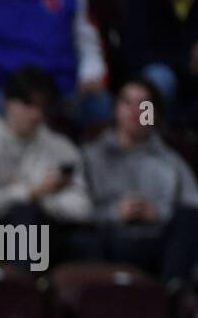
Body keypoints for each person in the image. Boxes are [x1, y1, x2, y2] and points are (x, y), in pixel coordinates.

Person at [80, 77, 198, 284]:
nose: (135, 111)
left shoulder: (170, 160)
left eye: (144, 105)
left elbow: (192, 206)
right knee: (83, 239)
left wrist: (158, 213)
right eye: (127, 102)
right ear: (115, 109)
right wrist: (115, 212)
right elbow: (77, 207)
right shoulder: (91, 156)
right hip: (110, 237)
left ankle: (173, 291)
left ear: (155, 115)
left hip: (156, 240)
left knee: (189, 220)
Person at [0, 65, 92, 228]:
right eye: (28, 104)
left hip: (51, 230)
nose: (36, 114)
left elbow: (83, 208)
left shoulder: (61, 146)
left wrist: (38, 199)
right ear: (6, 102)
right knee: (21, 216)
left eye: (42, 106)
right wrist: (33, 192)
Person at [122, 0, 198, 121]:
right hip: (155, 85)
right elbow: (137, 55)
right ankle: (145, 139)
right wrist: (188, 62)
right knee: (156, 79)